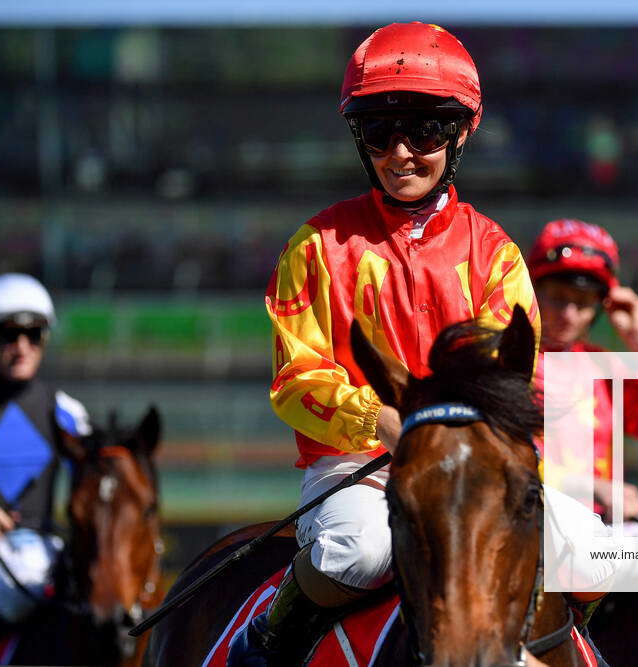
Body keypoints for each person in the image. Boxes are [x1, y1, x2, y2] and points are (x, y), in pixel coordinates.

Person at [227, 22, 541, 666]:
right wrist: (381, 419)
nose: (401, 152)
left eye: (424, 131)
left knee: (592, 549)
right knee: (361, 550)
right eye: (379, 133)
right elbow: (296, 382)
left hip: (471, 469)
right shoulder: (315, 247)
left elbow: (516, 382)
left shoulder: (496, 255)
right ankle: (270, 638)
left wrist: (445, 440)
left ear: (460, 133)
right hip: (354, 469)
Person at [0, 273, 92, 663]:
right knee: (27, 583)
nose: (21, 347)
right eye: (6, 335)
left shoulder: (68, 412)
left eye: (34, 333)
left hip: (47, 551)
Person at [526, 218, 638, 525]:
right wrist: (590, 487)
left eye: (582, 303)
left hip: (594, 529)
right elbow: (496, 457)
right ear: (532, 290)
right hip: (525, 522)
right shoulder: (506, 360)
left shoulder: (602, 366)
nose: (568, 314)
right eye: (557, 298)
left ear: (600, 306)